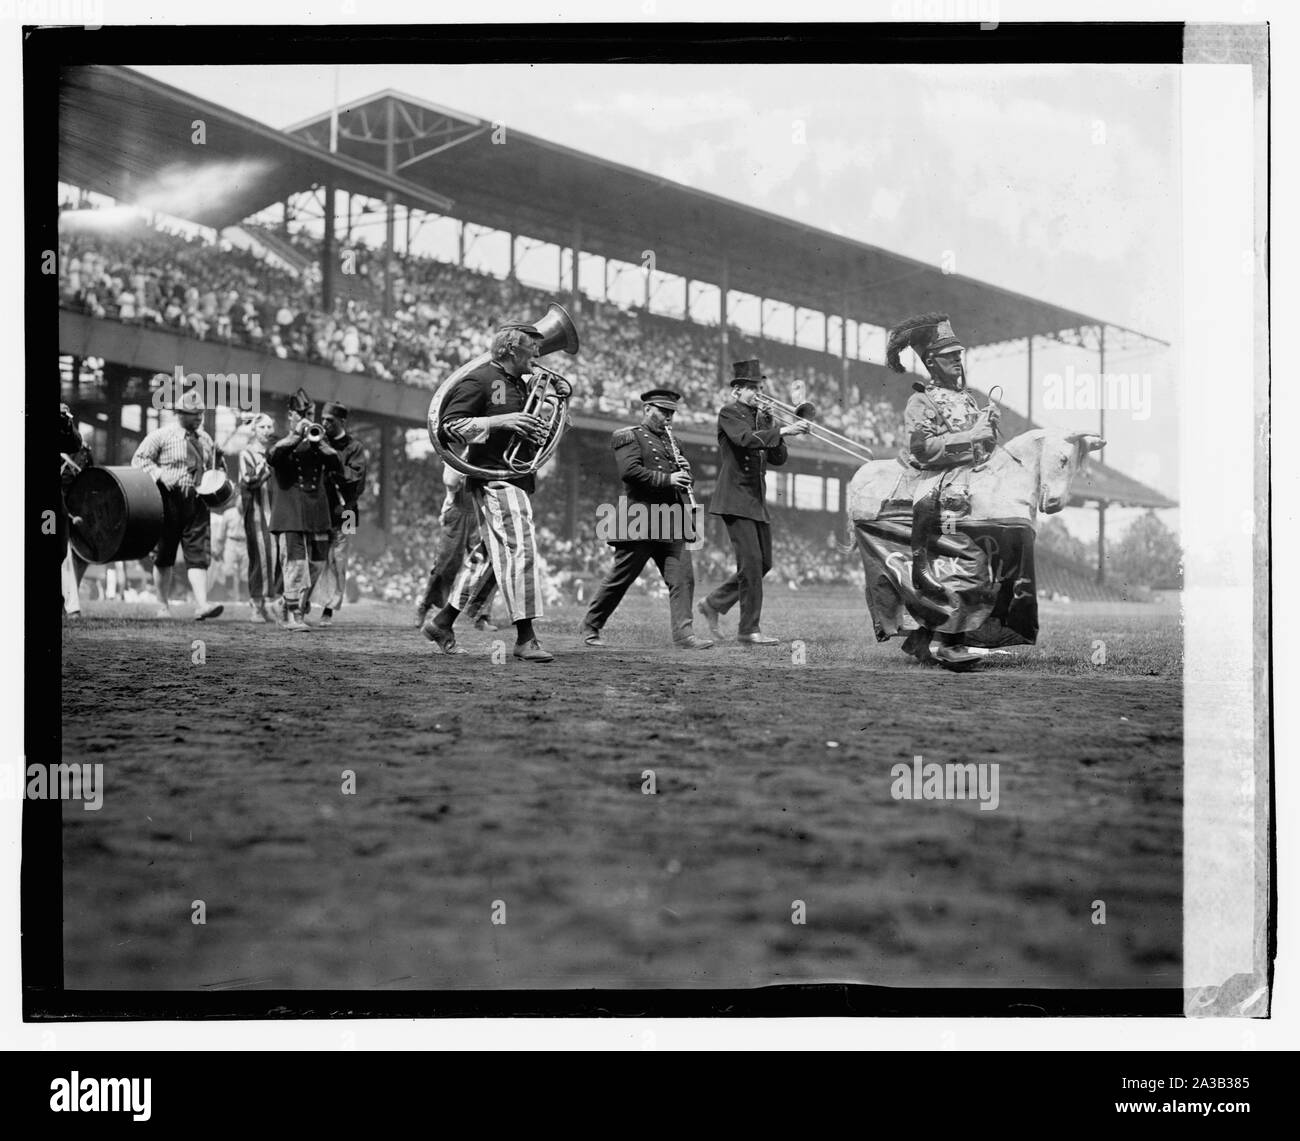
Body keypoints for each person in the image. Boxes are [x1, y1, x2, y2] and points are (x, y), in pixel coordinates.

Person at [421, 322, 553, 662]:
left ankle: (442, 621)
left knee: (488, 557)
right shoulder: (479, 380)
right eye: (532, 347)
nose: (539, 353)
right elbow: (449, 427)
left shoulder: (519, 384)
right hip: (495, 478)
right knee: (521, 551)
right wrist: (500, 422)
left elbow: (523, 428)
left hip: (516, 477)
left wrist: (540, 430)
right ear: (510, 350)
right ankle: (526, 637)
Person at [887, 311, 1000, 668]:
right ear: (932, 362)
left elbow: (981, 448)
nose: (957, 361)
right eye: (950, 356)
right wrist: (971, 435)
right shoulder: (921, 401)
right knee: (968, 557)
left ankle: (926, 638)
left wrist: (988, 431)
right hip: (937, 487)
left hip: (971, 483)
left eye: (958, 355)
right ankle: (950, 644)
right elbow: (922, 449)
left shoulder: (968, 399)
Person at [579, 388, 713, 650]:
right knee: (623, 576)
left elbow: (683, 482)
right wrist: (668, 478)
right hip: (640, 516)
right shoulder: (628, 436)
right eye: (663, 411)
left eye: (671, 413)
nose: (668, 417)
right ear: (647, 409)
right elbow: (630, 472)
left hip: (672, 518)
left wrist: (686, 473)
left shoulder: (674, 443)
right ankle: (590, 626)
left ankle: (684, 635)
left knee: (683, 578)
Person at [697, 360, 808, 645]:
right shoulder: (729, 413)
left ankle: (713, 604)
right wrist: (781, 431)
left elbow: (778, 459)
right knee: (752, 564)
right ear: (737, 391)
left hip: (755, 500)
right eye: (751, 389)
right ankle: (748, 629)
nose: (757, 393)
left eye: (759, 387)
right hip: (735, 499)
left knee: (763, 563)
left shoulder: (760, 419)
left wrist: (774, 425)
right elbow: (745, 440)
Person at [130, 388, 224, 620]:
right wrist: (160, 474)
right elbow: (138, 460)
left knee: (198, 553)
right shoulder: (161, 436)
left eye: (201, 414)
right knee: (164, 553)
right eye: (194, 414)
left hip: (197, 501)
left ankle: (202, 605)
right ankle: (163, 606)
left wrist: (218, 464)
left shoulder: (205, 439)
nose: (199, 418)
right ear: (179, 413)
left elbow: (215, 467)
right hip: (167, 501)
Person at [267, 391, 341, 632]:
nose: (308, 419)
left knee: (318, 564)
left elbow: (336, 464)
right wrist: (297, 434)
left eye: (310, 415)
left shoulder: (320, 443)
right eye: (302, 415)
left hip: (317, 513)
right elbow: (274, 457)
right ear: (291, 415)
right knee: (295, 565)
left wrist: (319, 442)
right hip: (290, 513)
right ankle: (291, 614)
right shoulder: (280, 440)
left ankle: (286, 604)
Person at [413, 462, 499, 632]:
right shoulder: (460, 451)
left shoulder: (493, 450)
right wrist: (465, 460)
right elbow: (450, 482)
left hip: (481, 511)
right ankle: (425, 604)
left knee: (485, 563)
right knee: (445, 565)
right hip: (457, 512)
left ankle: (481, 616)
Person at [312, 401, 368, 628]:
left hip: (347, 511)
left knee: (339, 559)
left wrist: (332, 456)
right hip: (320, 509)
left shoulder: (355, 447)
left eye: (330, 421)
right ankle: (305, 602)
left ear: (342, 422)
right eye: (323, 419)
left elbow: (357, 481)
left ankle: (328, 609)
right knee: (316, 558)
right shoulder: (317, 441)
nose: (324, 424)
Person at [238, 413, 277, 622]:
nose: (267, 431)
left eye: (270, 427)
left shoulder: (275, 452)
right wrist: (265, 465)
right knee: (259, 557)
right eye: (263, 427)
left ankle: (268, 604)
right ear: (254, 430)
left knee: (275, 556)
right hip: (255, 512)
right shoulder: (247, 454)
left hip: (275, 512)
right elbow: (248, 480)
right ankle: (256, 603)